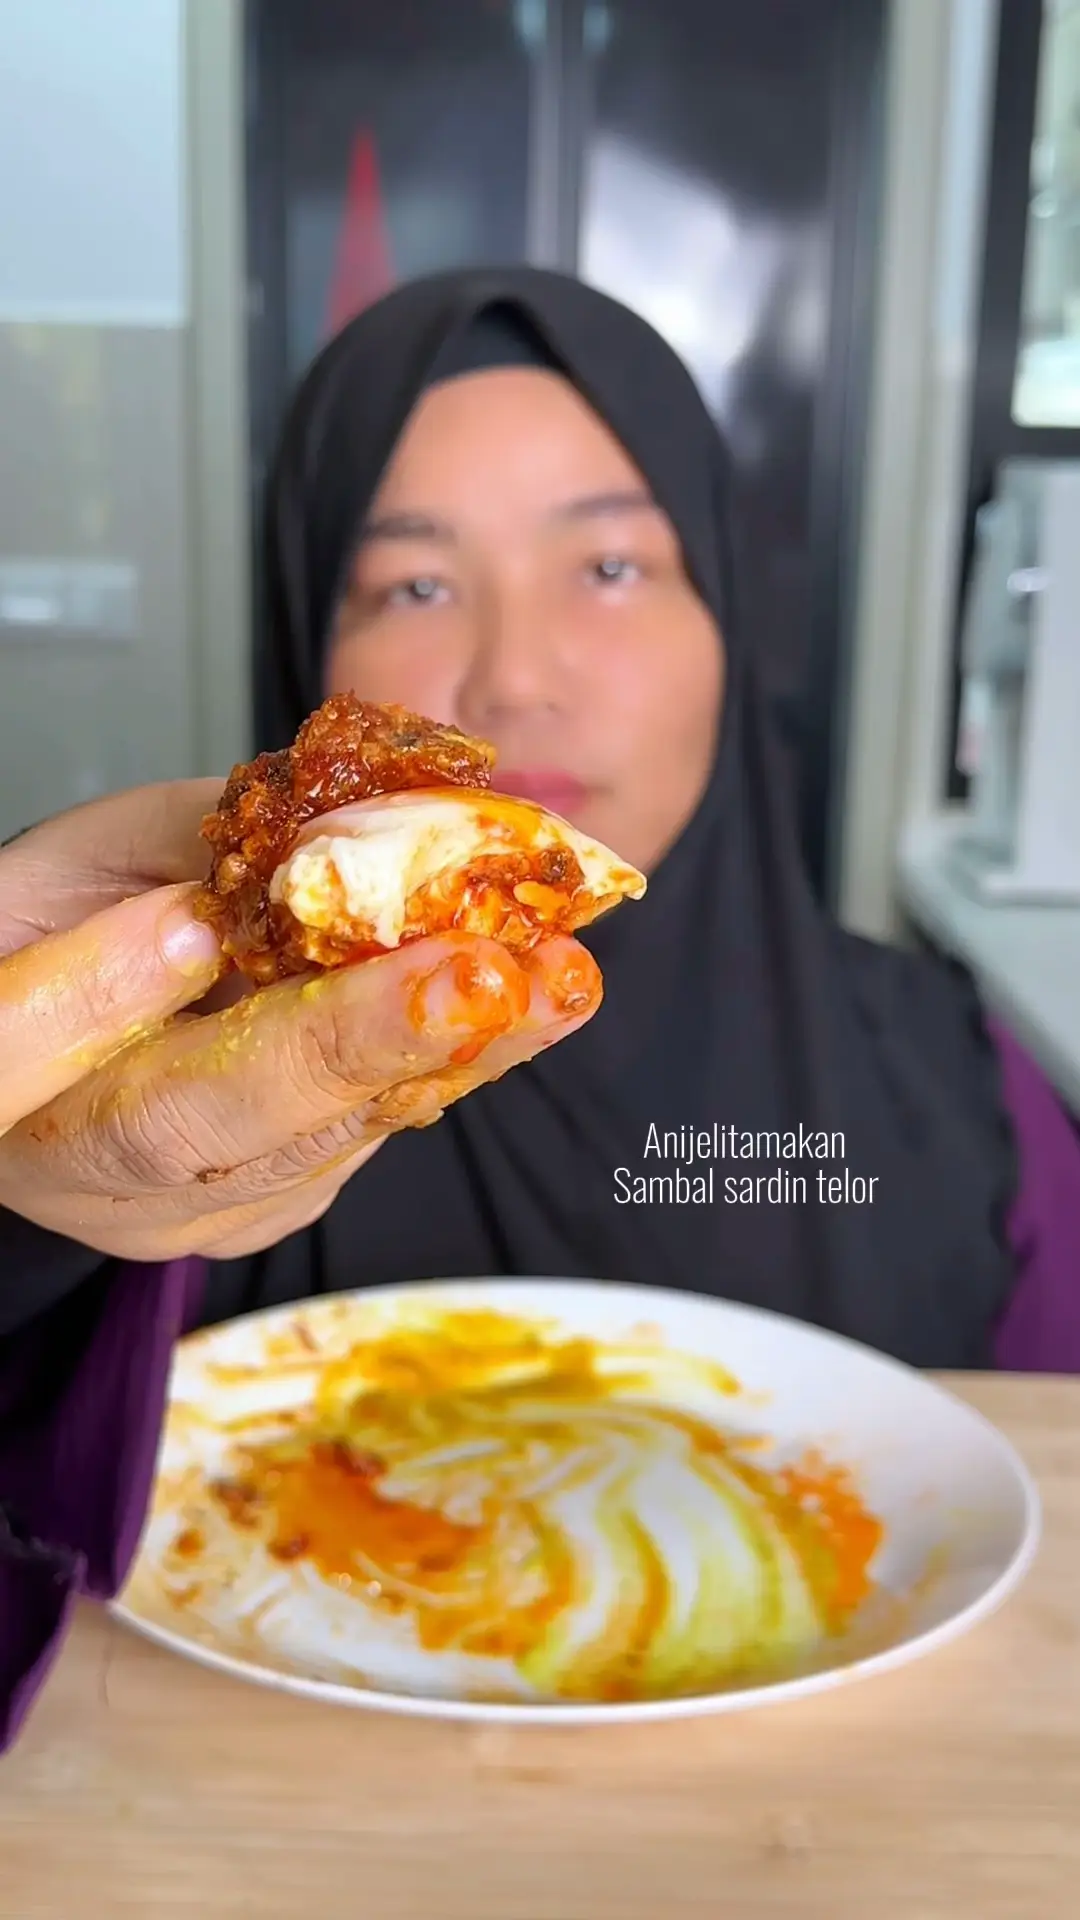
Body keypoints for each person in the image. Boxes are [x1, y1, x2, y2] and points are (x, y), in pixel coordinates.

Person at [1, 268, 1078, 1749]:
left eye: (612, 567)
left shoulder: (973, 1097)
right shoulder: (127, 1069)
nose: (514, 677)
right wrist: (21, 1213)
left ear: (729, 621)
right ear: (308, 642)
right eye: (414, 585)